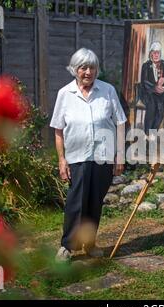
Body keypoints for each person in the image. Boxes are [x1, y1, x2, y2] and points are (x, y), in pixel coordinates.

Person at [50, 48, 127, 262]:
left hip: (103, 156)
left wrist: (120, 155)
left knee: (95, 201)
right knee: (76, 202)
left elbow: (120, 123)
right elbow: (58, 129)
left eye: (92, 67)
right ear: (74, 69)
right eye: (83, 67)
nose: (88, 72)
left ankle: (90, 243)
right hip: (76, 157)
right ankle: (67, 246)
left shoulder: (108, 90)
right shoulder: (65, 94)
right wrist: (61, 160)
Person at [140, 41, 164, 134]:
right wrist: (154, 87)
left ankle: (153, 131)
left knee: (160, 111)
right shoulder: (146, 65)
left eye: (158, 52)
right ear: (151, 54)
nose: (156, 54)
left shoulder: (163, 65)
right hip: (148, 93)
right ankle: (147, 132)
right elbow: (144, 82)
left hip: (159, 94)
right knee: (152, 108)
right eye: (154, 52)